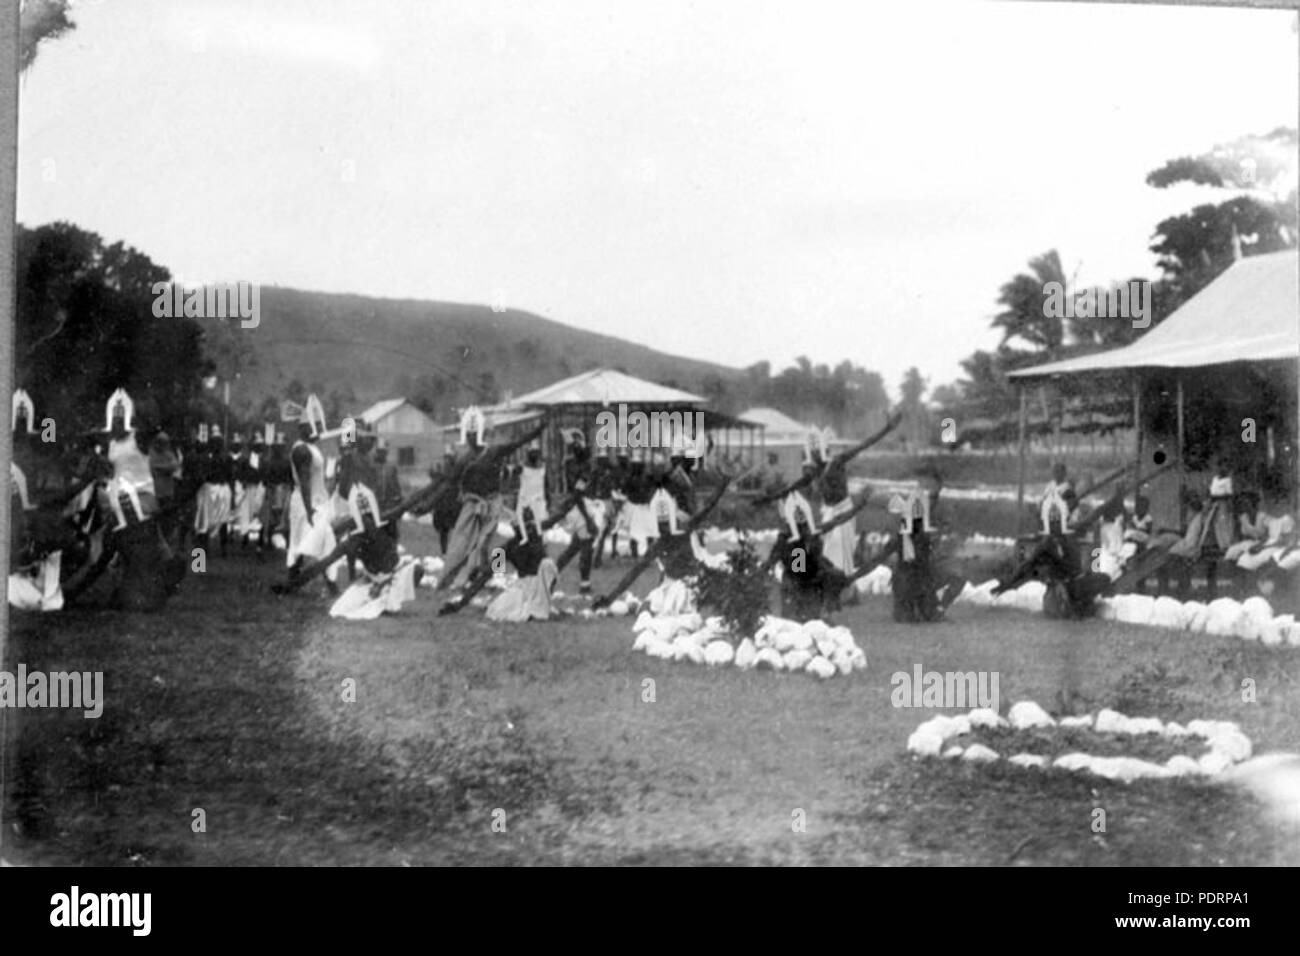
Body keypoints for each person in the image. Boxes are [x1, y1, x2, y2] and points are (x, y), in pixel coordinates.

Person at [437, 412, 544, 594]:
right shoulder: (465, 459)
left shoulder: (494, 452)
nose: (471, 438)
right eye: (468, 434)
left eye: (474, 433)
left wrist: (536, 432)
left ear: (481, 433)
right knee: (464, 544)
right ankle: (462, 577)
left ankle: (496, 574)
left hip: (494, 504)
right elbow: (450, 483)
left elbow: (516, 444)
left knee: (494, 544)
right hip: (472, 506)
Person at [286, 420, 338, 592]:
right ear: (301, 429)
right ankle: (295, 579)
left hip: (315, 501)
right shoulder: (301, 450)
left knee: (324, 538)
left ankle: (330, 582)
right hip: (304, 502)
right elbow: (305, 481)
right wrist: (309, 509)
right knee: (300, 542)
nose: (314, 430)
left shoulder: (312, 448)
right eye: (310, 427)